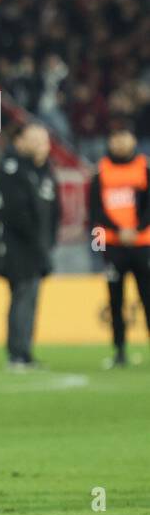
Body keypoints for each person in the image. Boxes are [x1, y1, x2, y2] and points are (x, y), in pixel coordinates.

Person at [0, 122, 58, 370]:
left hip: (38, 247)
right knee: (22, 296)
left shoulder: (45, 172)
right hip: (18, 247)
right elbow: (14, 212)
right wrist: (37, 241)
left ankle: (25, 351)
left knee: (30, 298)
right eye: (36, 140)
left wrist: (48, 242)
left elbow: (54, 212)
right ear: (22, 142)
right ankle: (17, 353)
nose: (41, 145)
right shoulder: (13, 169)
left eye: (44, 141)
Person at [88, 123, 150, 366]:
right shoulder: (100, 172)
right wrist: (118, 231)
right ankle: (120, 351)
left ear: (133, 139)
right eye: (115, 137)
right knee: (115, 300)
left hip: (142, 243)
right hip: (112, 246)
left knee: (148, 297)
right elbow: (95, 211)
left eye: (124, 136)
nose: (120, 142)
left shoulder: (144, 168)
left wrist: (136, 230)